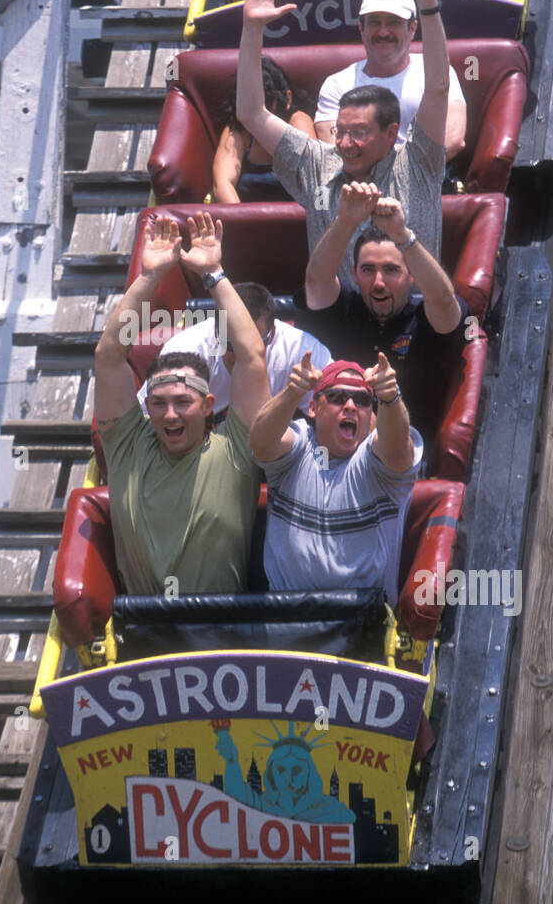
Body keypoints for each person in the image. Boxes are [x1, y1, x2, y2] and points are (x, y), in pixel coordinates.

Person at [235, 0, 451, 284]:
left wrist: (427, 3)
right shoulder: (317, 164)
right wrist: (251, 28)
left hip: (415, 315)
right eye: (341, 132)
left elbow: (439, 87)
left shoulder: (419, 163)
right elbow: (250, 112)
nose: (346, 143)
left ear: (391, 134)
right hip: (339, 320)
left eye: (361, 133)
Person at [95, 212, 270, 596]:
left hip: (222, 636)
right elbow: (108, 357)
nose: (169, 414)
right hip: (145, 639)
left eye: (181, 402)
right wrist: (150, 278)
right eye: (157, 404)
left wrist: (214, 275)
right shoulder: (128, 447)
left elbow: (252, 356)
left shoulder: (236, 451)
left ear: (209, 405)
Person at [295, 184, 468, 443]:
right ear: (354, 274)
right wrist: (345, 221)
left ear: (411, 275)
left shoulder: (425, 319)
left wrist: (402, 235)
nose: (378, 282)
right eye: (367, 270)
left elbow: (444, 301)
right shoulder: (345, 310)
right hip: (330, 454)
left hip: (403, 455)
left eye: (391, 270)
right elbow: (317, 282)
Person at [249, 354, 422, 604]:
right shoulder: (298, 447)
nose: (351, 405)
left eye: (362, 400)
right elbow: (261, 443)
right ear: (313, 408)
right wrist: (293, 392)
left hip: (362, 629)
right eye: (337, 397)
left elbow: (396, 448)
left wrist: (389, 398)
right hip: (286, 625)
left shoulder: (375, 461)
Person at [315, 0, 466, 161]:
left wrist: (400, 175)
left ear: (412, 29)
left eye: (393, 22)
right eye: (374, 22)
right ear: (361, 29)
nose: (383, 32)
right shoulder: (336, 84)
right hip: (359, 184)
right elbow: (333, 151)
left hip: (426, 181)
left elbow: (453, 139)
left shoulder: (437, 73)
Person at [137, 282, 332, 419]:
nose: (241, 355)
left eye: (251, 345)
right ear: (215, 331)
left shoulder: (301, 350)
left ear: (272, 334)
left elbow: (345, 400)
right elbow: (143, 417)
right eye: (229, 344)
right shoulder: (184, 351)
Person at [213, 60, 317, 204]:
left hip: (296, 219)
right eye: (252, 107)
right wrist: (243, 222)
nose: (259, 118)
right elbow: (222, 184)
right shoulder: (238, 130)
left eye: (266, 106)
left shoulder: (298, 121)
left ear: (287, 99)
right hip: (246, 219)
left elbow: (313, 176)